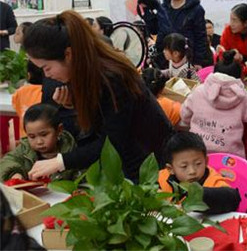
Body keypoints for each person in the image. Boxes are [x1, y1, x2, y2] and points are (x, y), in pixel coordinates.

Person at [23, 10, 173, 182]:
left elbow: (112, 142)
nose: (46, 75)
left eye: (46, 67)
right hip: (128, 161)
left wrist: (60, 161)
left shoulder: (112, 78)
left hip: (150, 165)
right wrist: (73, 104)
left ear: (68, 55)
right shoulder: (83, 71)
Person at [180, 50, 247, 158]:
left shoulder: (199, 91)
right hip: (230, 161)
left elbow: (184, 115)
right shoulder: (243, 97)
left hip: (197, 157)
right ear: (239, 77)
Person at [158, 132, 241, 214]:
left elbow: (233, 198)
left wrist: (197, 196)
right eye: (184, 166)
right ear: (170, 169)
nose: (192, 171)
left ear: (206, 161)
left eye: (198, 164)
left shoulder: (213, 181)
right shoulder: (163, 177)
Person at [142, 0, 207, 69]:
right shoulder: (163, 7)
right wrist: (147, 9)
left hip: (186, 59)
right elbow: (154, 30)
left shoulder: (196, 9)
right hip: (163, 58)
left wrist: (198, 61)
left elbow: (200, 37)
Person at [0, 103, 77, 182]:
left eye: (44, 135)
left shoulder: (72, 151)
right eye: (32, 137)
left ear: (59, 130)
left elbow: (83, 177)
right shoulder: (25, 149)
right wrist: (14, 174)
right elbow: (7, 161)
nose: (39, 142)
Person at [12, 60, 43, 137]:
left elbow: (16, 107)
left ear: (29, 75)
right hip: (45, 139)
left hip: (26, 137)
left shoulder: (21, 91)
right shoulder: (49, 91)